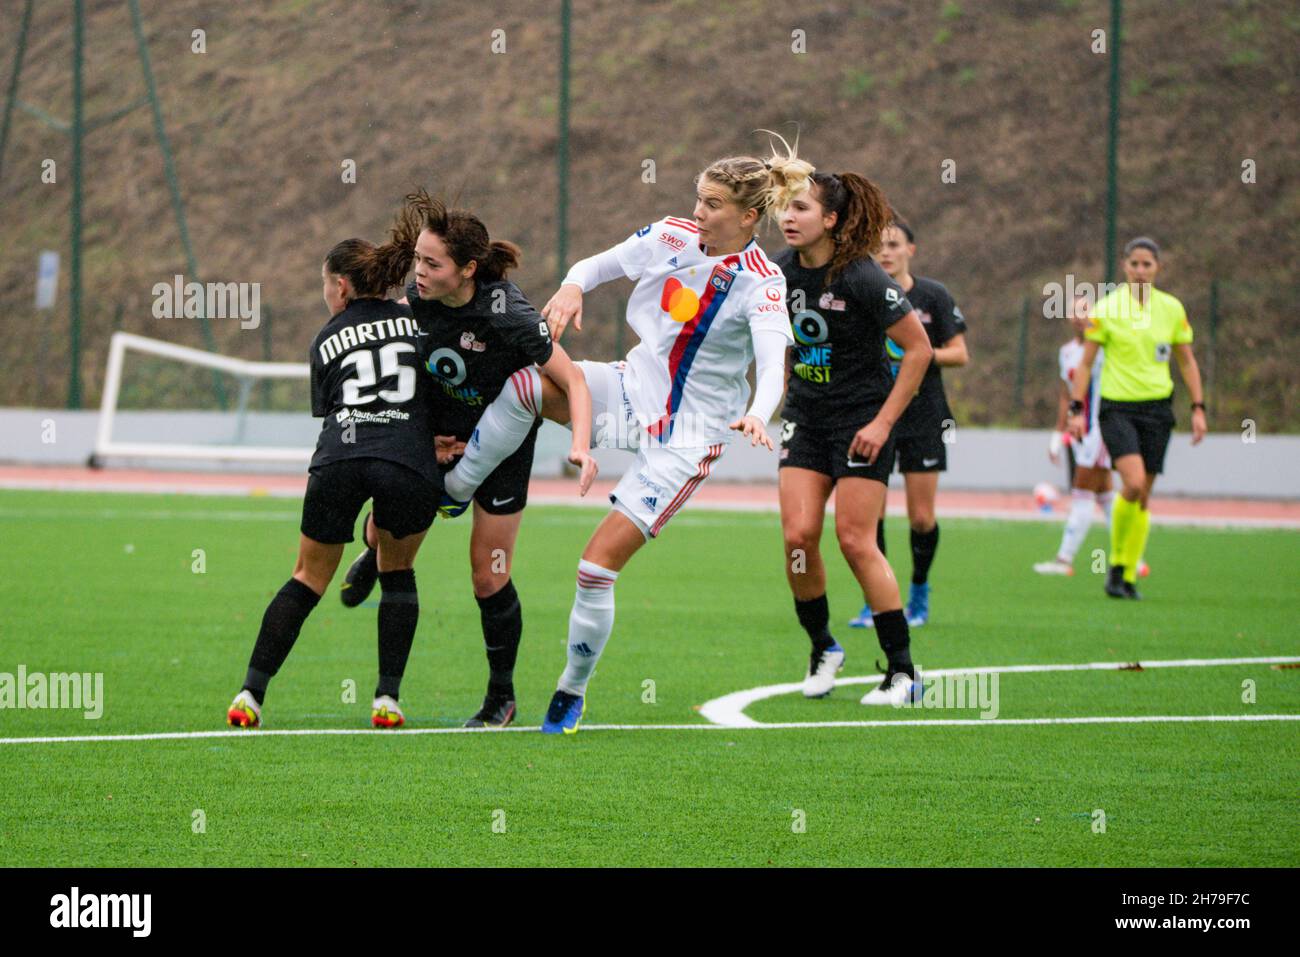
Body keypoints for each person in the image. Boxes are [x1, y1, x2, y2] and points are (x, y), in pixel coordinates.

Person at [440, 138, 804, 733]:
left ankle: (571, 690)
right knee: (526, 383)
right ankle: (454, 490)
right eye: (698, 198)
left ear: (748, 216)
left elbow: (771, 367)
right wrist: (572, 285)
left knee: (594, 570)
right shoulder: (671, 235)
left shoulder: (762, 284)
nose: (699, 211)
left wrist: (760, 414)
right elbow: (597, 266)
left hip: (687, 436)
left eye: (713, 204)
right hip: (631, 390)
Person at [336, 191, 595, 729]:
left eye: (433, 264)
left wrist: (582, 445)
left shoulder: (508, 313)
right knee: (385, 534)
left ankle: (502, 698)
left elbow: (572, 379)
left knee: (489, 573)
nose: (419, 272)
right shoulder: (417, 298)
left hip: (501, 448)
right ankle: (372, 549)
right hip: (432, 435)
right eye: (418, 260)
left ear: (468, 269)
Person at [227, 217, 438, 730]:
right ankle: (387, 700)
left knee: (307, 577)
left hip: (340, 459)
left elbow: (330, 408)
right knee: (398, 573)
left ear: (341, 286)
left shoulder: (326, 338)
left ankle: (250, 694)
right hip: (406, 460)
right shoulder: (419, 321)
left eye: (324, 284)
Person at [773, 172, 932, 702]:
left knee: (855, 540)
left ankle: (903, 672)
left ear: (831, 219)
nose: (788, 217)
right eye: (785, 207)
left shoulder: (863, 276)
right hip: (806, 418)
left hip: (862, 422)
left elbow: (919, 350)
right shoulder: (778, 271)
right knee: (798, 538)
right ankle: (823, 647)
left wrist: (882, 424)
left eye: (801, 208)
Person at [1069, 236, 1206, 599]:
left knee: (1143, 496)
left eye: (1148, 264)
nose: (1141, 271)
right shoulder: (1107, 309)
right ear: (1125, 267)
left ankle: (1128, 576)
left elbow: (1186, 361)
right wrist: (1076, 409)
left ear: (1158, 268)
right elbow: (1086, 363)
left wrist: (1198, 408)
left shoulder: (1172, 309)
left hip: (1157, 409)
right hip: (1117, 408)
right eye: (1135, 264)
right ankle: (1116, 566)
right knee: (1131, 483)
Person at [849, 220, 968, 629]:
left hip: (924, 416)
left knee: (920, 517)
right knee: (871, 517)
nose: (885, 252)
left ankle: (919, 592)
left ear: (910, 250)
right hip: (872, 415)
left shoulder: (933, 296)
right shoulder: (863, 292)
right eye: (878, 245)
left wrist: (915, 353)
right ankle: (876, 600)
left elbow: (959, 353)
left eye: (894, 245)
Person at [1034, 296, 1119, 575]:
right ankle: (1131, 557)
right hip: (1080, 430)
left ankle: (1064, 560)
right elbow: (1066, 394)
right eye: (1074, 312)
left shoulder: (1106, 348)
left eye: (1085, 311)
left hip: (1100, 427)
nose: (1079, 317)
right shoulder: (1067, 352)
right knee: (1104, 494)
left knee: (1082, 489)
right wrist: (1058, 432)